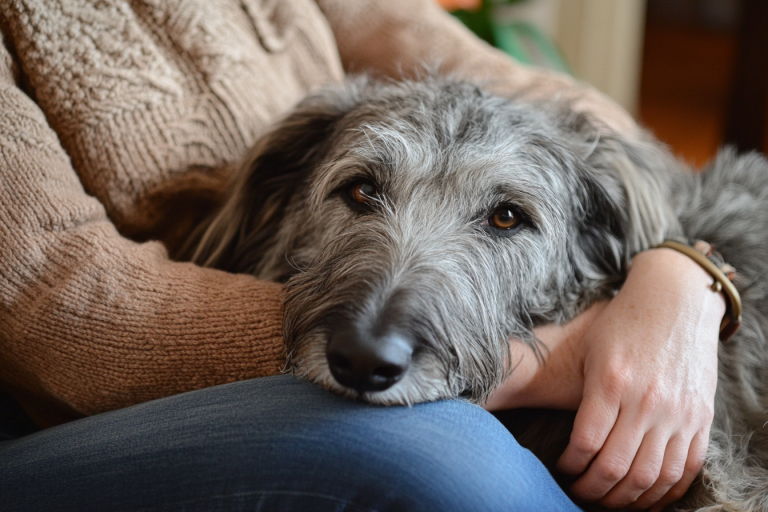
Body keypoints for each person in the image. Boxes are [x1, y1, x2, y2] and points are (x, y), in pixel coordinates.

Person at [0, 0, 725, 510]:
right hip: (83, 405)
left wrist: (678, 269)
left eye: (504, 217)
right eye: (360, 192)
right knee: (448, 454)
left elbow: (513, 80)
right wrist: (553, 360)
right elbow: (55, 312)